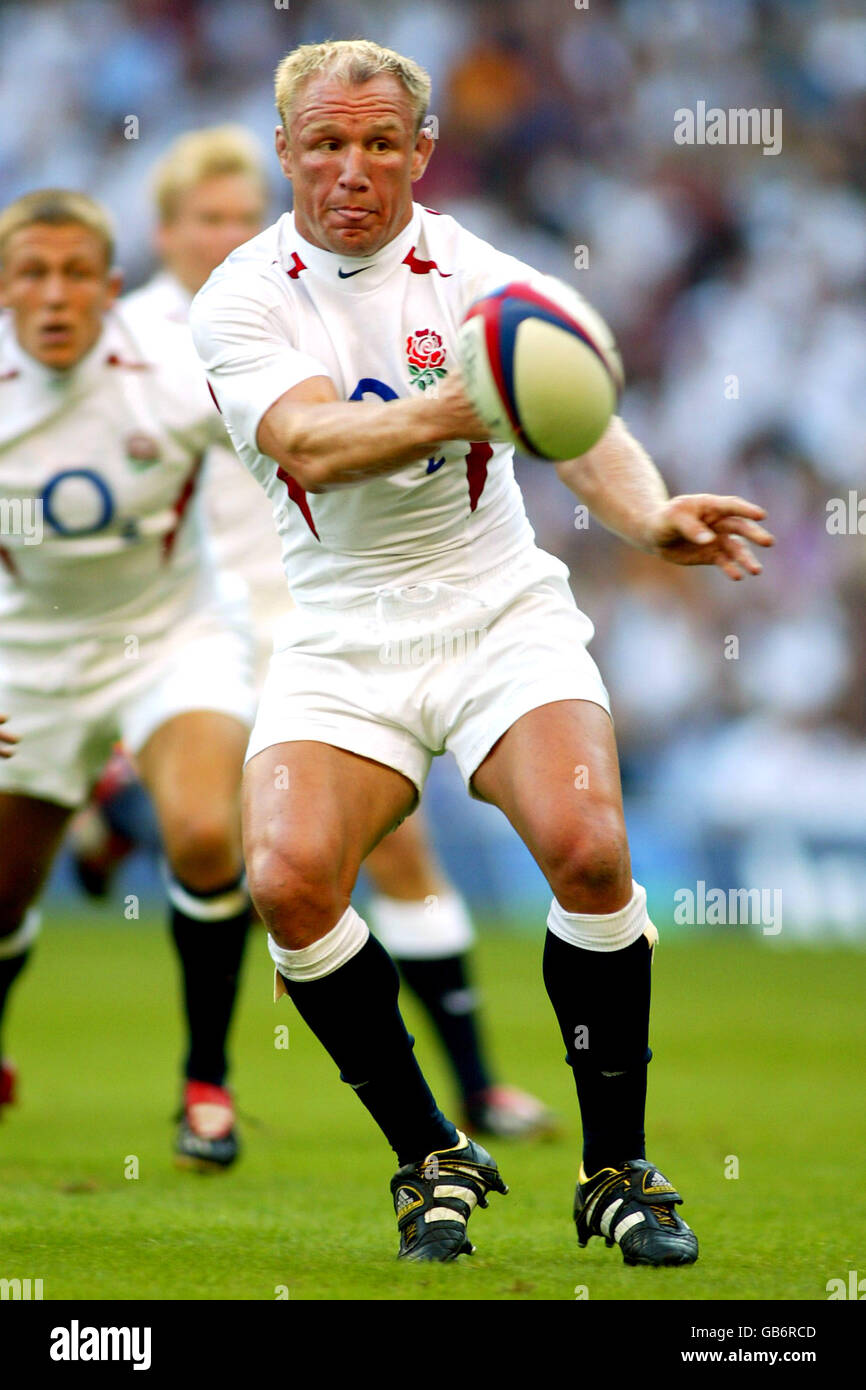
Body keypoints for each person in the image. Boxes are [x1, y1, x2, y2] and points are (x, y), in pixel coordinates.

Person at [189, 39, 773, 1265]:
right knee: (288, 880)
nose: (353, 168)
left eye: (380, 142)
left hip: (496, 604)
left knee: (590, 847)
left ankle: (615, 1168)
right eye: (327, 143)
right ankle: (429, 1152)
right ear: (286, 149)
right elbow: (313, 443)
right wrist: (475, 400)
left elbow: (578, 416)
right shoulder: (240, 297)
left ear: (421, 150)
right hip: (343, 629)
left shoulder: (476, 273)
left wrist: (651, 513)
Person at [114, 123, 555, 1140]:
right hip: (211, 625)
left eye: (236, 215)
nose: (222, 231)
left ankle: (474, 1086)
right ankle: (208, 1076)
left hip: (328, 610)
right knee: (226, 846)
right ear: (166, 229)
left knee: (388, 858)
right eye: (203, 218)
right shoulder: (136, 340)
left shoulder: (302, 304)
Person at [0, 189, 257, 1168]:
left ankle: (206, 1081)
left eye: (77, 274)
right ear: (4, 288)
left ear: (112, 288)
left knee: (201, 831)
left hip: (173, 631)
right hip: (27, 652)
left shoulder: (177, 373)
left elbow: (297, 443)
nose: (56, 295)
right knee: (4, 899)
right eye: (33, 273)